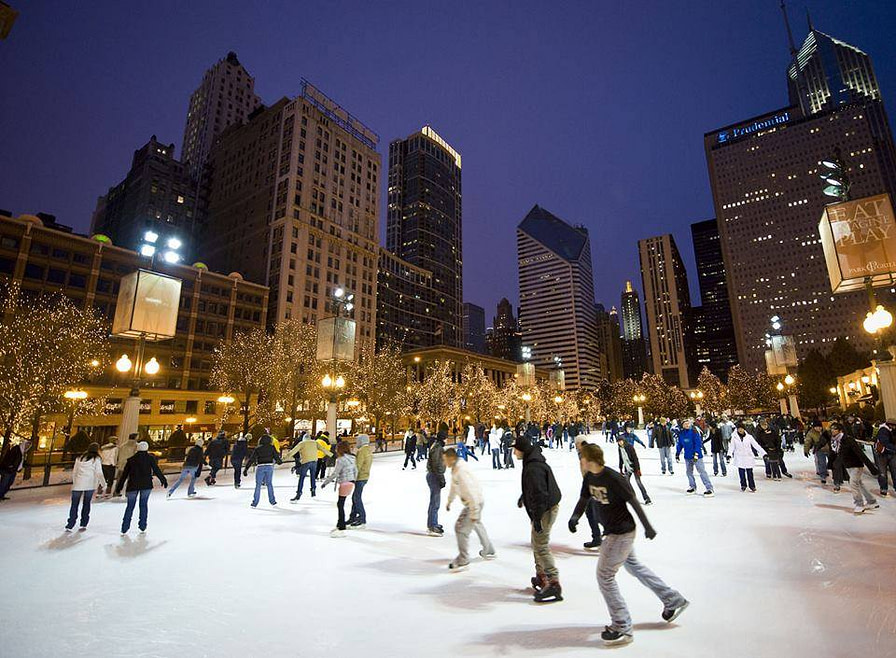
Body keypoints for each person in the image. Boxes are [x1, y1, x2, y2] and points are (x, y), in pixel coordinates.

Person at [569, 443, 688, 646]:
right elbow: (583, 498)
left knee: (605, 576)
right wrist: (575, 517)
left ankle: (622, 626)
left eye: (582, 458)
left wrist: (648, 527)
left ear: (589, 460)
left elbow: (633, 501)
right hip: (612, 531)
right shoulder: (589, 477)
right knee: (634, 566)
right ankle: (673, 599)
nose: (580, 461)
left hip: (621, 534)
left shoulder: (614, 478)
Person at [514, 435, 563, 603]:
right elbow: (535, 487)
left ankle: (553, 583)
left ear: (521, 450)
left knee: (541, 545)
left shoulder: (533, 467)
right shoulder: (531, 461)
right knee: (536, 542)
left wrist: (537, 519)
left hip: (545, 509)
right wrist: (524, 497)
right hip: (543, 507)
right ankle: (542, 576)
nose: (514, 453)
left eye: (515, 450)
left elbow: (541, 494)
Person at [444, 448, 495, 570]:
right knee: (476, 523)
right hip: (475, 502)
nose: (444, 462)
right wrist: (450, 501)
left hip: (474, 503)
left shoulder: (461, 471)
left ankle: (463, 558)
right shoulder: (456, 469)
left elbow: (471, 491)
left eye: (445, 460)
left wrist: (474, 511)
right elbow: (454, 487)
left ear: (451, 458)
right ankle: (489, 548)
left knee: (460, 529)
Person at [115, 441, 168, 535]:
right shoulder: (150, 458)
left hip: (133, 485)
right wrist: (163, 480)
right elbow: (156, 469)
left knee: (130, 506)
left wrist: (119, 487)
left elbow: (124, 475)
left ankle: (125, 527)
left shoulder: (131, 459)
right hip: (146, 485)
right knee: (143, 505)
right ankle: (142, 525)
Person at [833, 423, 880, 514]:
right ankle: (872, 501)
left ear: (840, 430)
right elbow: (840, 455)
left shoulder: (848, 440)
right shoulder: (837, 441)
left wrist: (872, 468)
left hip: (856, 465)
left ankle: (859, 504)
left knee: (853, 483)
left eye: (834, 428)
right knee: (859, 484)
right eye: (831, 428)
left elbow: (860, 453)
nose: (832, 430)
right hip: (848, 466)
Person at [320, 440, 357, 537]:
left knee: (340, 504)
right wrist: (354, 480)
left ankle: (341, 526)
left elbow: (335, 474)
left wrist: (325, 482)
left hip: (344, 483)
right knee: (341, 503)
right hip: (351, 482)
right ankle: (340, 524)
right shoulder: (353, 458)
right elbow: (355, 470)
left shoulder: (340, 460)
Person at [65, 442, 106, 532]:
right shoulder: (96, 459)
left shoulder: (79, 458)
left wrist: (75, 482)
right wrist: (103, 484)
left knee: (74, 504)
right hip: (89, 484)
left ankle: (70, 523)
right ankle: (83, 523)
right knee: (86, 504)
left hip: (78, 484)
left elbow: (75, 472)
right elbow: (99, 473)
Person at [675, 418, 714, 497]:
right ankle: (692, 487)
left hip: (697, 456)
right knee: (689, 472)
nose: (687, 425)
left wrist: (696, 453)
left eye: (688, 423)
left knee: (702, 471)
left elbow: (698, 443)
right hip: (687, 456)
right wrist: (677, 453)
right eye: (685, 424)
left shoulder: (694, 432)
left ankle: (709, 488)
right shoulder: (681, 434)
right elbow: (680, 444)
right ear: (682, 425)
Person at [243, 434, 282, 508]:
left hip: (260, 467)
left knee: (258, 485)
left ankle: (255, 503)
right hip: (269, 466)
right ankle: (273, 501)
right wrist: (279, 461)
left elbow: (252, 459)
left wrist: (246, 468)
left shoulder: (258, 448)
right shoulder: (271, 447)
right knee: (269, 484)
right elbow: (276, 456)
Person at [727, 423, 766, 492]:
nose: (740, 430)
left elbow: (756, 445)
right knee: (741, 473)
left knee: (750, 472)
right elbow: (732, 446)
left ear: (744, 429)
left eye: (741, 428)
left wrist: (764, 453)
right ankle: (743, 485)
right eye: (739, 428)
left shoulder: (749, 437)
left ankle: (752, 486)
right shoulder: (734, 437)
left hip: (748, 457)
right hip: (739, 457)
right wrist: (729, 454)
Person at [617, 436, 651, 505]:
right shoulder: (620, 448)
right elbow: (621, 458)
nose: (620, 442)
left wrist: (638, 469)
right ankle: (633, 497)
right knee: (626, 482)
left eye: (621, 441)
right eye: (618, 441)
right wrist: (620, 468)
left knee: (638, 482)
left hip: (634, 467)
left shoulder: (629, 447)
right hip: (627, 467)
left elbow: (635, 458)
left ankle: (647, 498)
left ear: (623, 440)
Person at [288, 431, 322, 500]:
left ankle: (299, 493)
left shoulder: (301, 443)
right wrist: (332, 455)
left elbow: (293, 451)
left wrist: (283, 459)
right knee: (313, 477)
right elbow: (323, 449)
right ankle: (313, 490)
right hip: (314, 461)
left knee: (302, 478)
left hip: (305, 461)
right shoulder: (314, 443)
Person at [348, 434, 372, 528]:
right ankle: (353, 517)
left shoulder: (362, 451)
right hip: (364, 476)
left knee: (356, 497)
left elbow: (358, 465)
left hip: (360, 477)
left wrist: (352, 477)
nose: (356, 442)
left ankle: (362, 518)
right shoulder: (368, 450)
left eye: (357, 441)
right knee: (355, 497)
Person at [426, 431, 446, 536]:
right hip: (434, 476)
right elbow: (437, 464)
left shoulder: (436, 446)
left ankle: (433, 523)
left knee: (434, 501)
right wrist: (441, 478)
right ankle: (432, 526)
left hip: (433, 475)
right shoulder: (438, 448)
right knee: (435, 502)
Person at [803, 419, 831, 486]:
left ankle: (836, 476)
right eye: (817, 427)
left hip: (829, 449)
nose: (819, 428)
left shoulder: (826, 431)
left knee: (833, 462)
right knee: (821, 463)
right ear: (814, 427)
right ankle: (823, 476)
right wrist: (806, 450)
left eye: (820, 427)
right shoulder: (811, 433)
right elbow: (807, 442)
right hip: (819, 449)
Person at [874, 419, 896, 497]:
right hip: (882, 454)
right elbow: (885, 442)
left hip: (892, 453)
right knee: (883, 472)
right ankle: (883, 489)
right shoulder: (883, 430)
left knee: (894, 471)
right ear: (890, 425)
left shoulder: (892, 431)